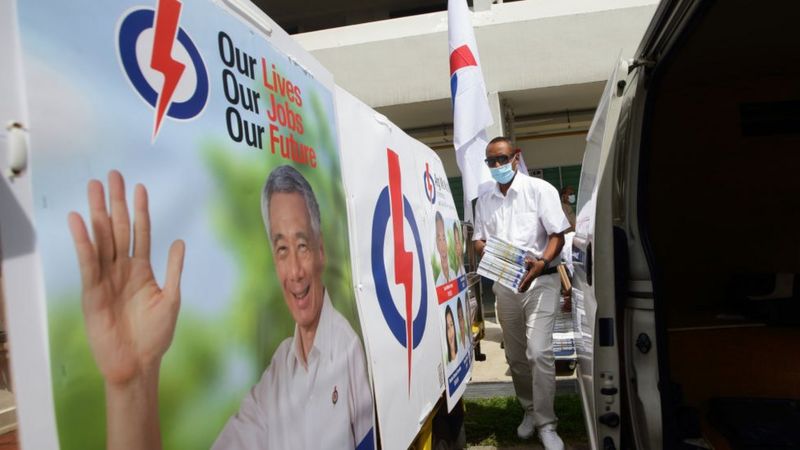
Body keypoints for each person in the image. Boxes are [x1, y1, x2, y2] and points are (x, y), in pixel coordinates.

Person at [67, 167, 374, 450]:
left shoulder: (350, 351)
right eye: (282, 249)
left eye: (302, 246)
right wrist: (132, 387)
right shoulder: (278, 374)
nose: (294, 271)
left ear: (321, 251)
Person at [472, 137, 570, 450]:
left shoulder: (540, 191)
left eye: (502, 159)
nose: (497, 166)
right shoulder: (484, 197)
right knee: (515, 356)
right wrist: (486, 249)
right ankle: (529, 409)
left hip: (540, 281)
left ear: (517, 157)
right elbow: (478, 240)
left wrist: (541, 262)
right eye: (491, 161)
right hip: (504, 284)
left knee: (538, 352)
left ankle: (547, 424)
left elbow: (558, 235)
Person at [434, 211, 454, 284]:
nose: (442, 244)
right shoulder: (438, 282)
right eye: (439, 239)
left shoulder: (453, 273)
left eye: (444, 238)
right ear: (436, 242)